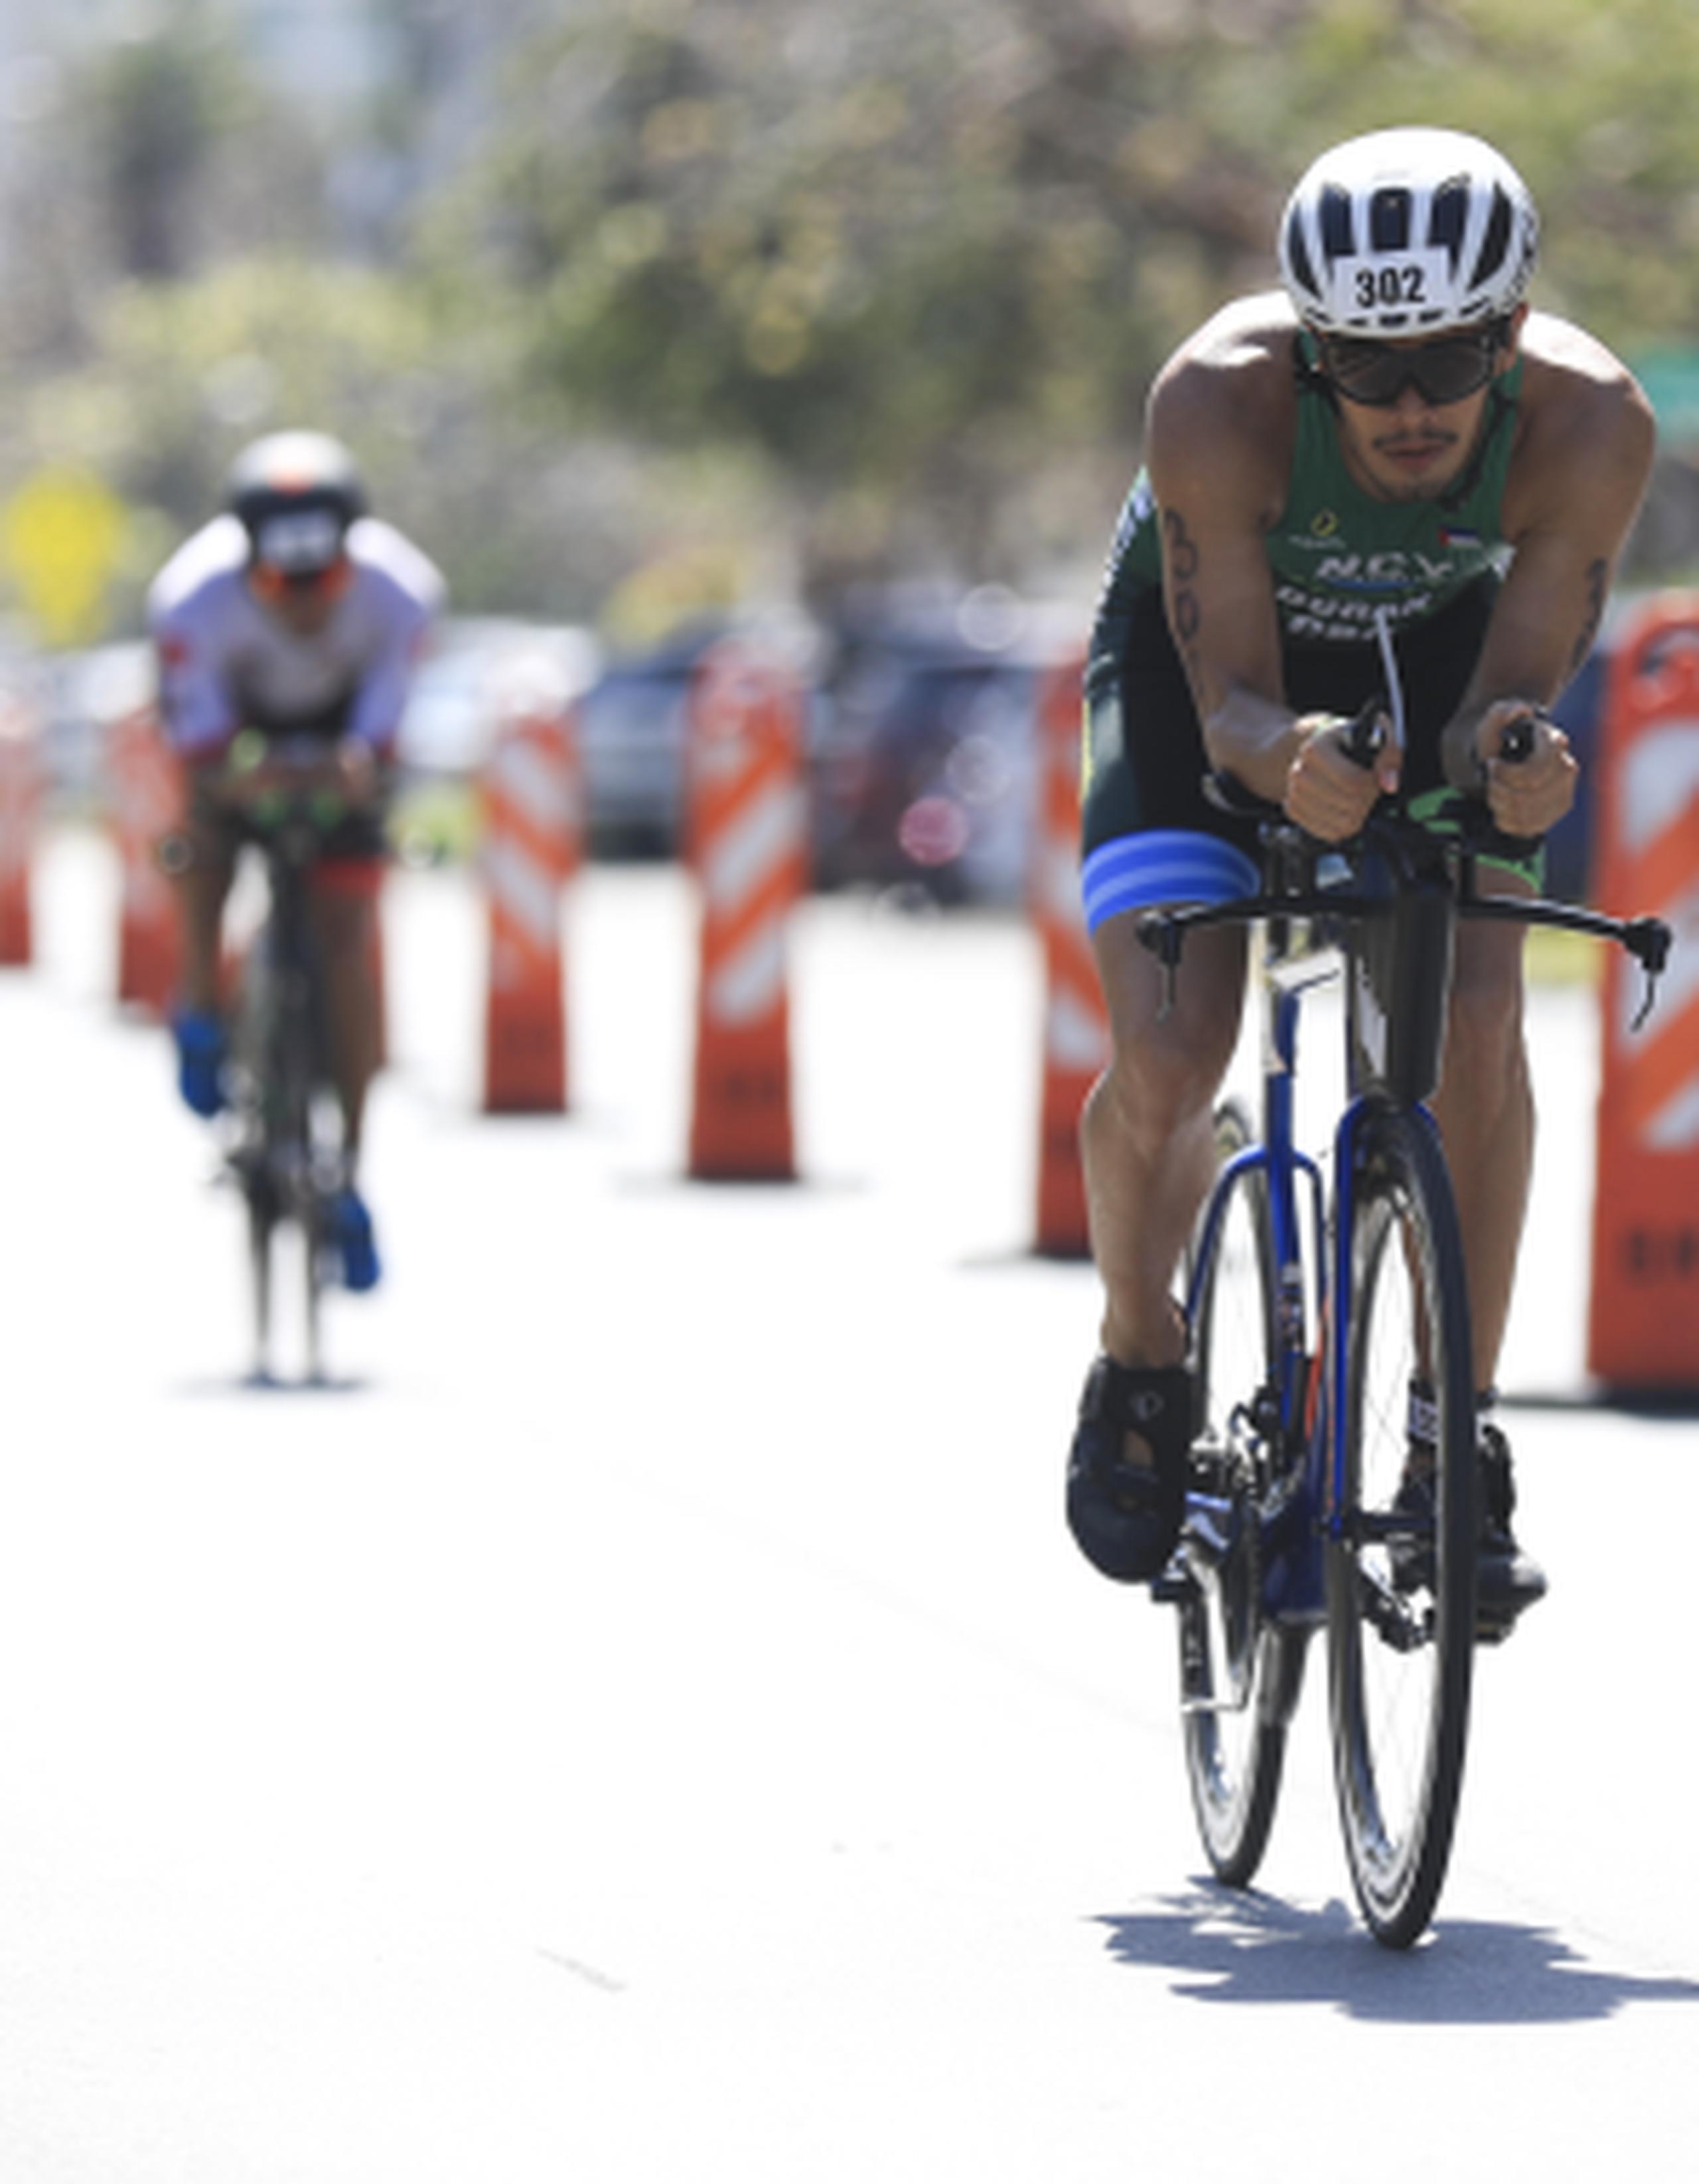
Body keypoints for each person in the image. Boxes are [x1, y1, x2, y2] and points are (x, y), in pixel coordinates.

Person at [1065, 127, 1655, 1634]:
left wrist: (1515, 756)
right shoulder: (1217, 399)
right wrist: (1287, 762)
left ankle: (1453, 1437)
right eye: (1362, 365)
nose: (1405, 406)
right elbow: (1230, 707)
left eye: (1447, 363)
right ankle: (1138, 1352)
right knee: (1172, 1042)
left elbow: (1501, 700)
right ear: (1306, 345)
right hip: (1207, 677)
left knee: (1477, 1015)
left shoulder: (1589, 421)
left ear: (1510, 334)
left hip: (1433, 663)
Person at [149, 430, 446, 1291]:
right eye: (284, 587)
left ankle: (348, 1169)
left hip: (342, 735)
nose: (308, 607)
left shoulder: (403, 594)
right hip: (237, 734)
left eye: (327, 585)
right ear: (250, 568)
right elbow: (201, 749)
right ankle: (202, 1002)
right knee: (199, 845)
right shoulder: (190, 601)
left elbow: (382, 731)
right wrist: (242, 780)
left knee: (346, 936)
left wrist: (354, 769)